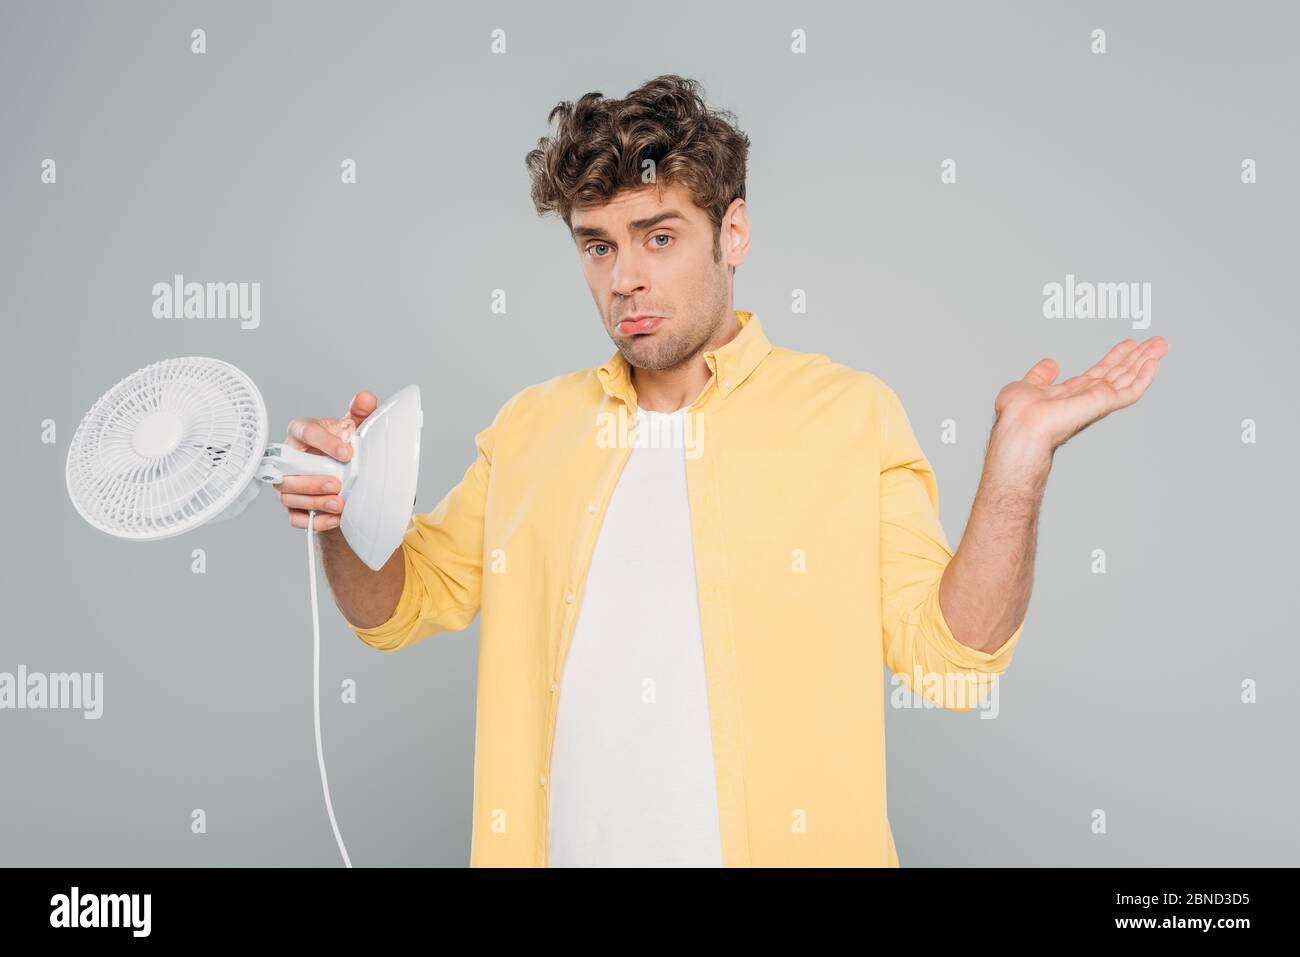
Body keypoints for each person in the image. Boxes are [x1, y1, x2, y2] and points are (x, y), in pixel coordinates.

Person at [273, 74, 1168, 867]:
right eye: (598, 245)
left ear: (732, 232)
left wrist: (1017, 465)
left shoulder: (848, 414)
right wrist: (348, 507)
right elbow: (397, 605)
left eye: (658, 237)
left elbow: (952, 664)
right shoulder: (531, 428)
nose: (625, 277)